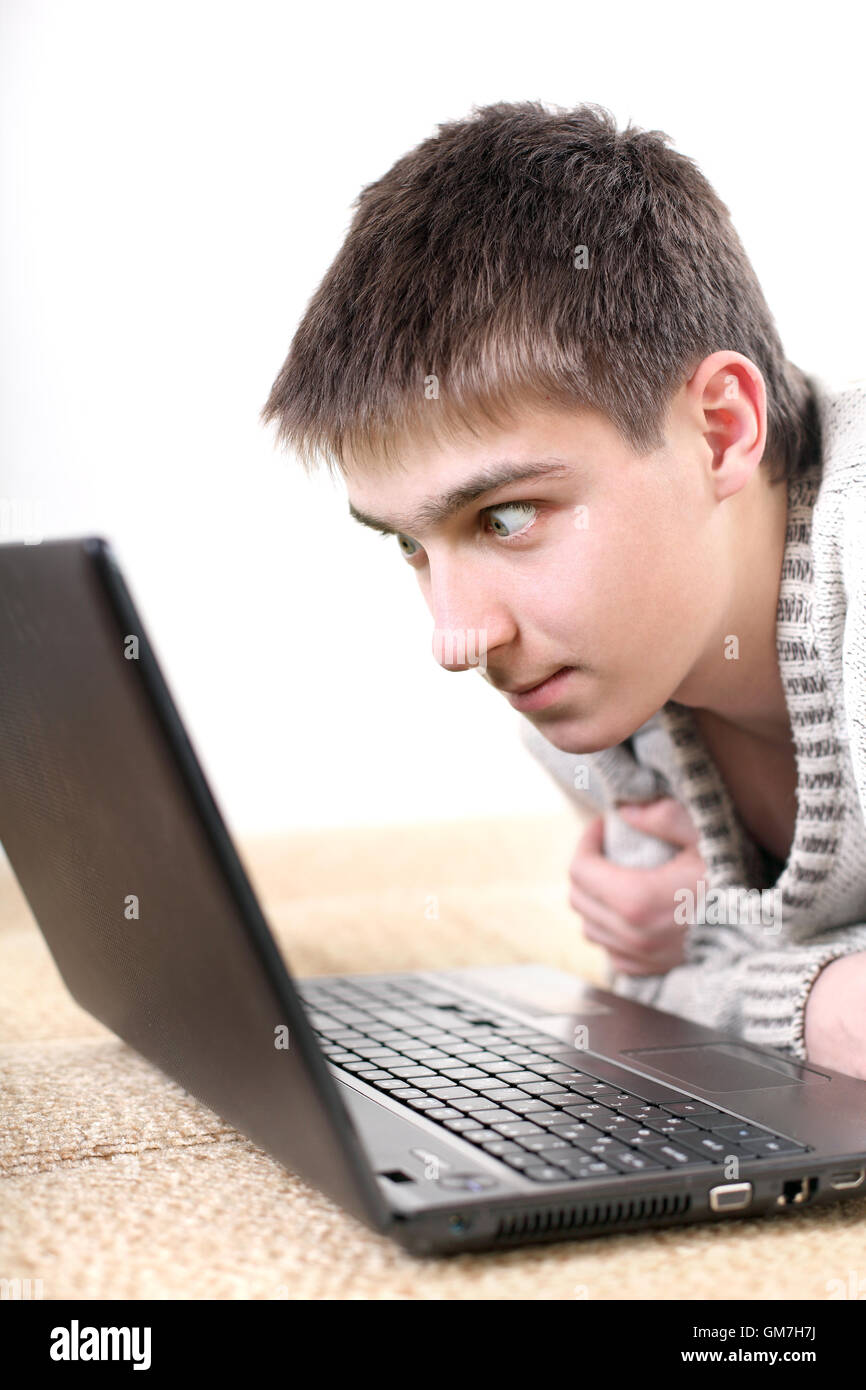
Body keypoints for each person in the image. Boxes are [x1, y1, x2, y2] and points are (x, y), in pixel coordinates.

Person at [260, 101, 866, 1079]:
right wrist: (703, 954)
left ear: (718, 429)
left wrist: (744, 984)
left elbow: (731, 1015)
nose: (456, 636)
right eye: (411, 547)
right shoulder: (590, 694)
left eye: (504, 518)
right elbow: (667, 1009)